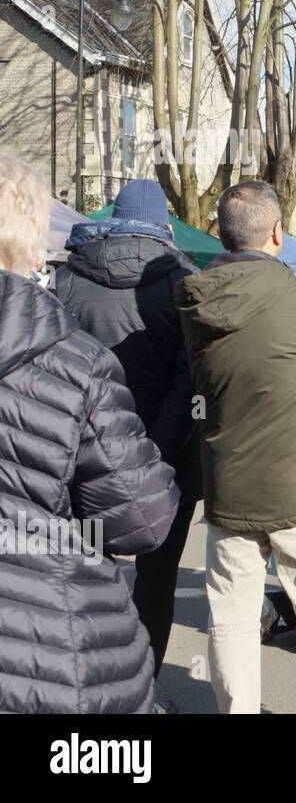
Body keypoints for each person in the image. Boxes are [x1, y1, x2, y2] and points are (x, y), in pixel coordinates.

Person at [0, 153, 178, 713]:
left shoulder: (73, 289)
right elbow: (141, 521)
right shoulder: (80, 360)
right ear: (31, 242)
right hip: (45, 643)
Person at [175, 180, 296, 714]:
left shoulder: (194, 300)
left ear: (224, 237)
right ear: (277, 233)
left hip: (230, 483)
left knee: (232, 618)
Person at [53, 179, 202, 703]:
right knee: (156, 584)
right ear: (164, 225)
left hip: (82, 458)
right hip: (165, 461)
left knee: (89, 579)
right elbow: (191, 382)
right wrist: (150, 449)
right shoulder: (184, 281)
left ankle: (91, 691)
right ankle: (143, 694)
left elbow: (55, 369)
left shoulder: (69, 277)